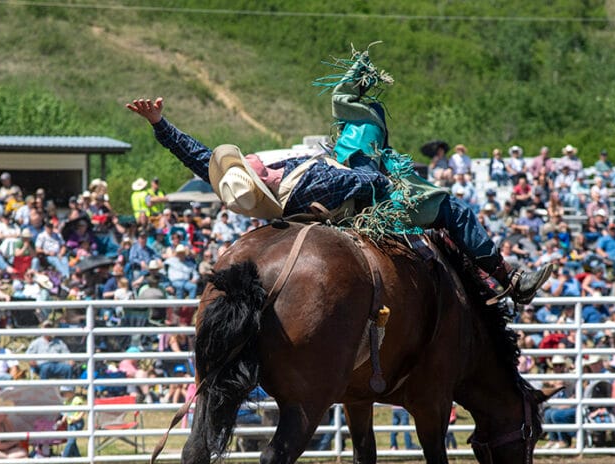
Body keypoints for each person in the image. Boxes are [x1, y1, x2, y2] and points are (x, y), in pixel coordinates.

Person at [126, 48, 551, 303]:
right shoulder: (309, 184)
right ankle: (509, 278)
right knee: (450, 209)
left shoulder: (272, 183)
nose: (244, 157)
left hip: (347, 179)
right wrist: (375, 157)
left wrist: (161, 125)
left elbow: (201, 159)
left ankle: (355, 98)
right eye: (245, 163)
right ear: (261, 178)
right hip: (372, 199)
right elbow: (366, 183)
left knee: (355, 123)